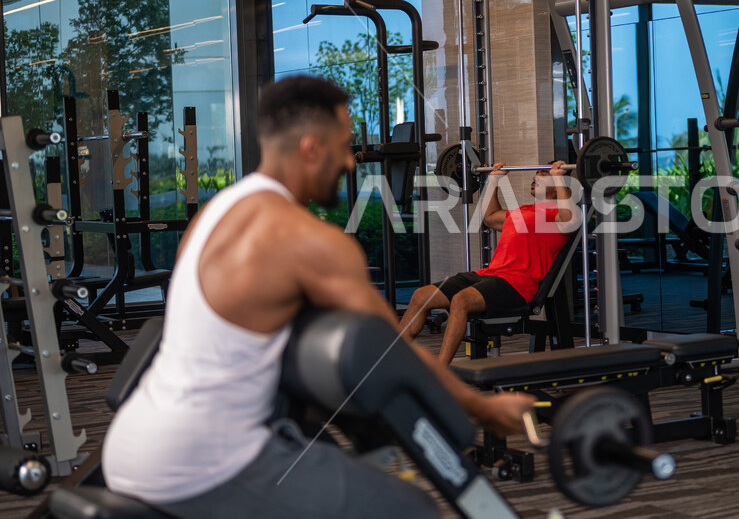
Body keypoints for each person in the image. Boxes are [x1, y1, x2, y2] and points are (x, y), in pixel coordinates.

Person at [102, 75, 534, 518]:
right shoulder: (307, 240)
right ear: (311, 147)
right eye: (344, 146)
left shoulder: (215, 214)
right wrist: (485, 408)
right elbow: (391, 350)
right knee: (411, 510)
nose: (349, 162)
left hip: (132, 442)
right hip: (201, 464)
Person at [401, 161, 575, 364]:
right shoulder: (523, 211)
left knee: (461, 300)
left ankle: (440, 371)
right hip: (489, 275)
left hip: (516, 284)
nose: (535, 177)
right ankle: (392, 361)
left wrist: (559, 177)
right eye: (536, 173)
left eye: (543, 174)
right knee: (421, 296)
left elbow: (570, 219)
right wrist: (493, 180)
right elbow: (490, 217)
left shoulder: (557, 218)